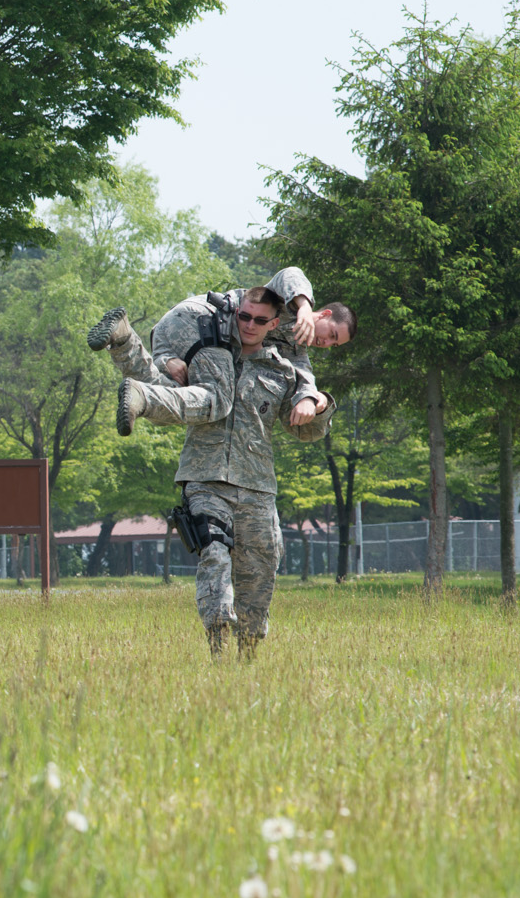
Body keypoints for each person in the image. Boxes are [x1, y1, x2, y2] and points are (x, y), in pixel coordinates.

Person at [128, 298, 337, 660]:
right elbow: (163, 384)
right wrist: (160, 358)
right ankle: (218, 644)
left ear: (274, 325)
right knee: (214, 553)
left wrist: (318, 405)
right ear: (234, 314)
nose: (250, 324)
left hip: (256, 487)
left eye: (260, 320)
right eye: (244, 316)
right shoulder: (206, 356)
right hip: (204, 476)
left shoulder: (283, 371)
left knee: (259, 572)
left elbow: (304, 429)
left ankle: (248, 656)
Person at [90, 267, 355, 432]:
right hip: (206, 320)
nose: (327, 343)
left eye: (334, 344)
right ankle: (143, 396)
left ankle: (123, 339)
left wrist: (311, 399)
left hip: (179, 326)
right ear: (325, 314)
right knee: (217, 400)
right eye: (331, 334)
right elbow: (290, 274)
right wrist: (305, 307)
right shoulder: (289, 306)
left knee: (171, 400)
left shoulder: (296, 350)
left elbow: (305, 377)